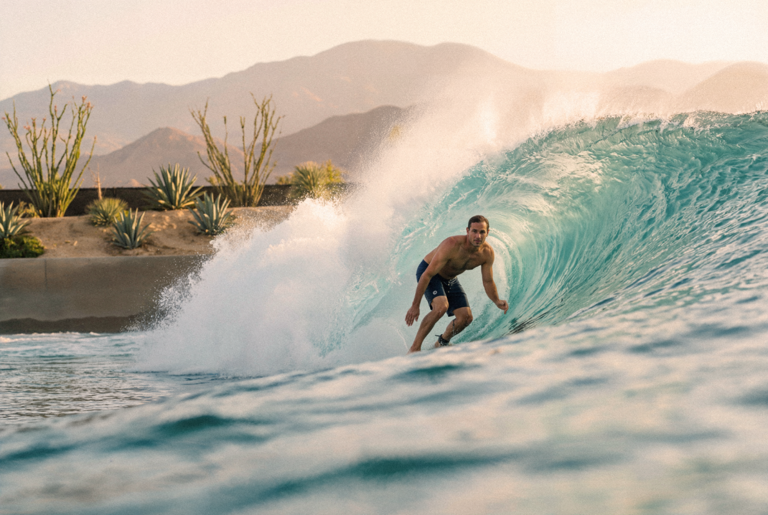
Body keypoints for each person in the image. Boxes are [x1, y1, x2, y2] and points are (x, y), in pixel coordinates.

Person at [405, 215, 509, 353]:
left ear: (488, 232)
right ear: (467, 230)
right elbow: (427, 275)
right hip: (430, 272)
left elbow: (488, 281)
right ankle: (414, 348)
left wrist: (496, 300)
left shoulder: (486, 253)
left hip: (449, 278)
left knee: (465, 318)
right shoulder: (452, 244)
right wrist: (415, 305)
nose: (478, 236)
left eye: (482, 232)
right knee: (441, 307)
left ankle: (441, 343)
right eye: (474, 231)